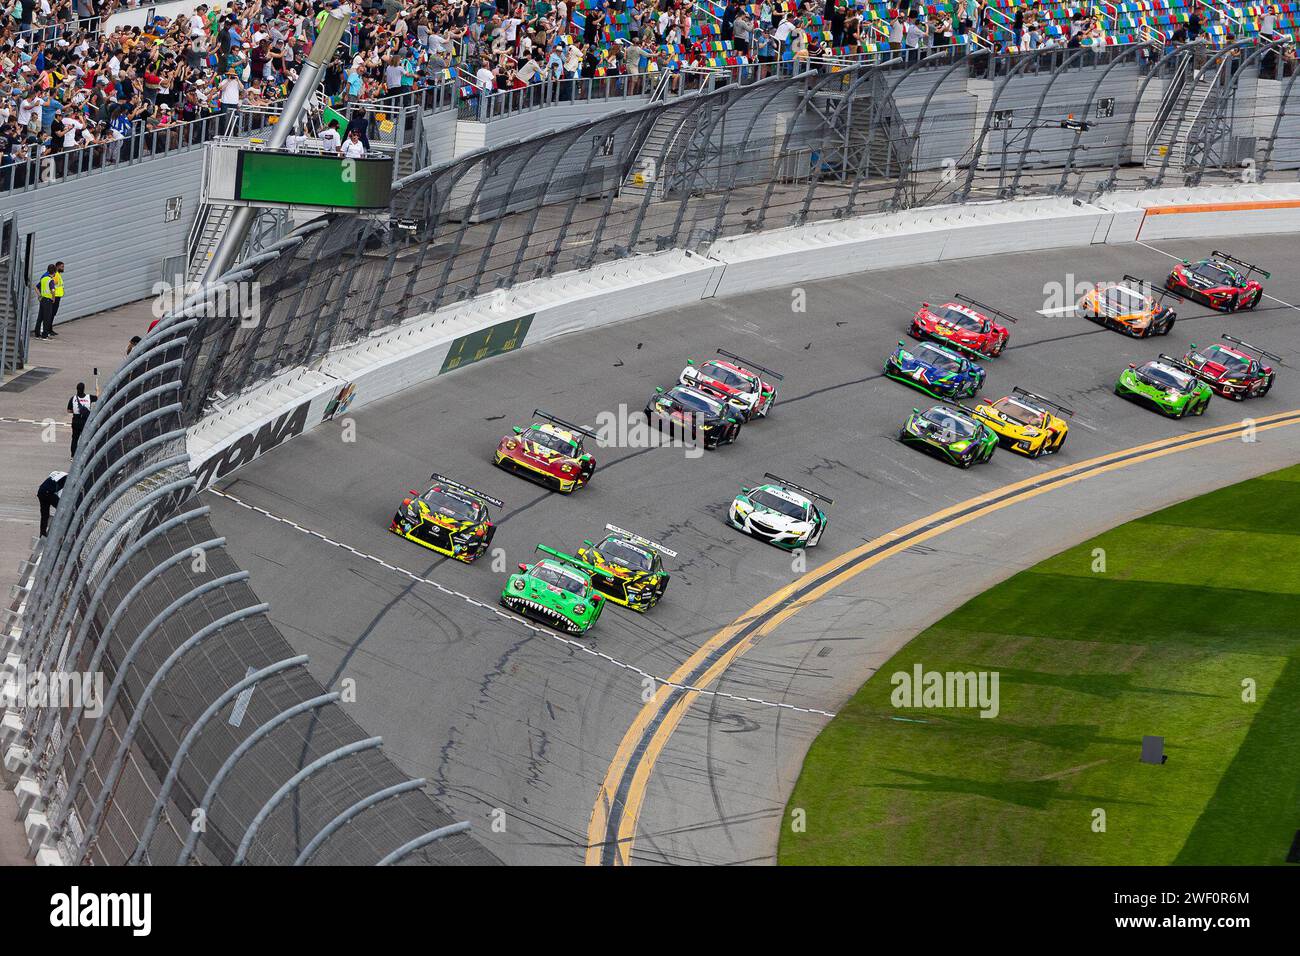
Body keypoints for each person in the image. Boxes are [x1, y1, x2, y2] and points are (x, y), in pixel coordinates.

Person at [67, 382, 96, 458]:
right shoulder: (89, 397)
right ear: (84, 389)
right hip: (85, 422)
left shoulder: (73, 398)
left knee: (74, 439)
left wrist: (76, 411)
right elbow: (98, 398)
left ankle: (73, 456)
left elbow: (69, 410)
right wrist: (97, 390)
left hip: (76, 421)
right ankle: (85, 455)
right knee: (86, 438)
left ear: (77, 389)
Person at [37, 470, 67, 537]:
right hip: (48, 493)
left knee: (44, 515)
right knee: (63, 510)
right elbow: (62, 494)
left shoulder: (58, 473)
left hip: (41, 491)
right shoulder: (67, 479)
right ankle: (60, 531)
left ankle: (42, 534)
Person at [34, 263, 56, 338]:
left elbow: (36, 288)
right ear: (54, 272)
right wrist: (53, 298)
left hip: (42, 300)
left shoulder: (43, 279)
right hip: (48, 300)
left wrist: (39, 295)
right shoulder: (50, 280)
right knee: (47, 318)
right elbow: (53, 290)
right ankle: (45, 335)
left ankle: (37, 334)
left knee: (40, 317)